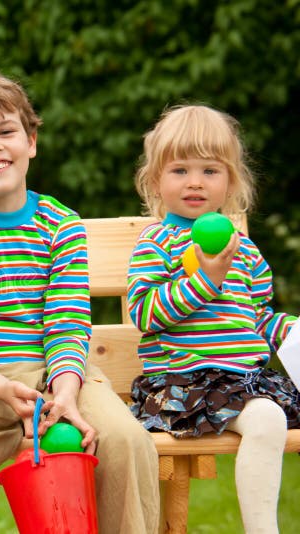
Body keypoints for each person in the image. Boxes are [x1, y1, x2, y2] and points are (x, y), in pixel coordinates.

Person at [0, 62, 160, 534]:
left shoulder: (59, 224)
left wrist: (65, 393)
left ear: (30, 141)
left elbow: (67, 324)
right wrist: (3, 390)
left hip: (61, 374)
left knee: (126, 439)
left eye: (6, 131)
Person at [128, 104, 300, 534]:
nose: (195, 183)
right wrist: (205, 280)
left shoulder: (244, 249)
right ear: (155, 180)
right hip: (184, 386)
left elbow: (255, 315)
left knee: (269, 417)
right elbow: (143, 313)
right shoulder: (157, 243)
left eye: (210, 170)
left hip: (241, 382)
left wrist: (290, 329)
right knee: (267, 418)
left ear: (231, 181)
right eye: (180, 170)